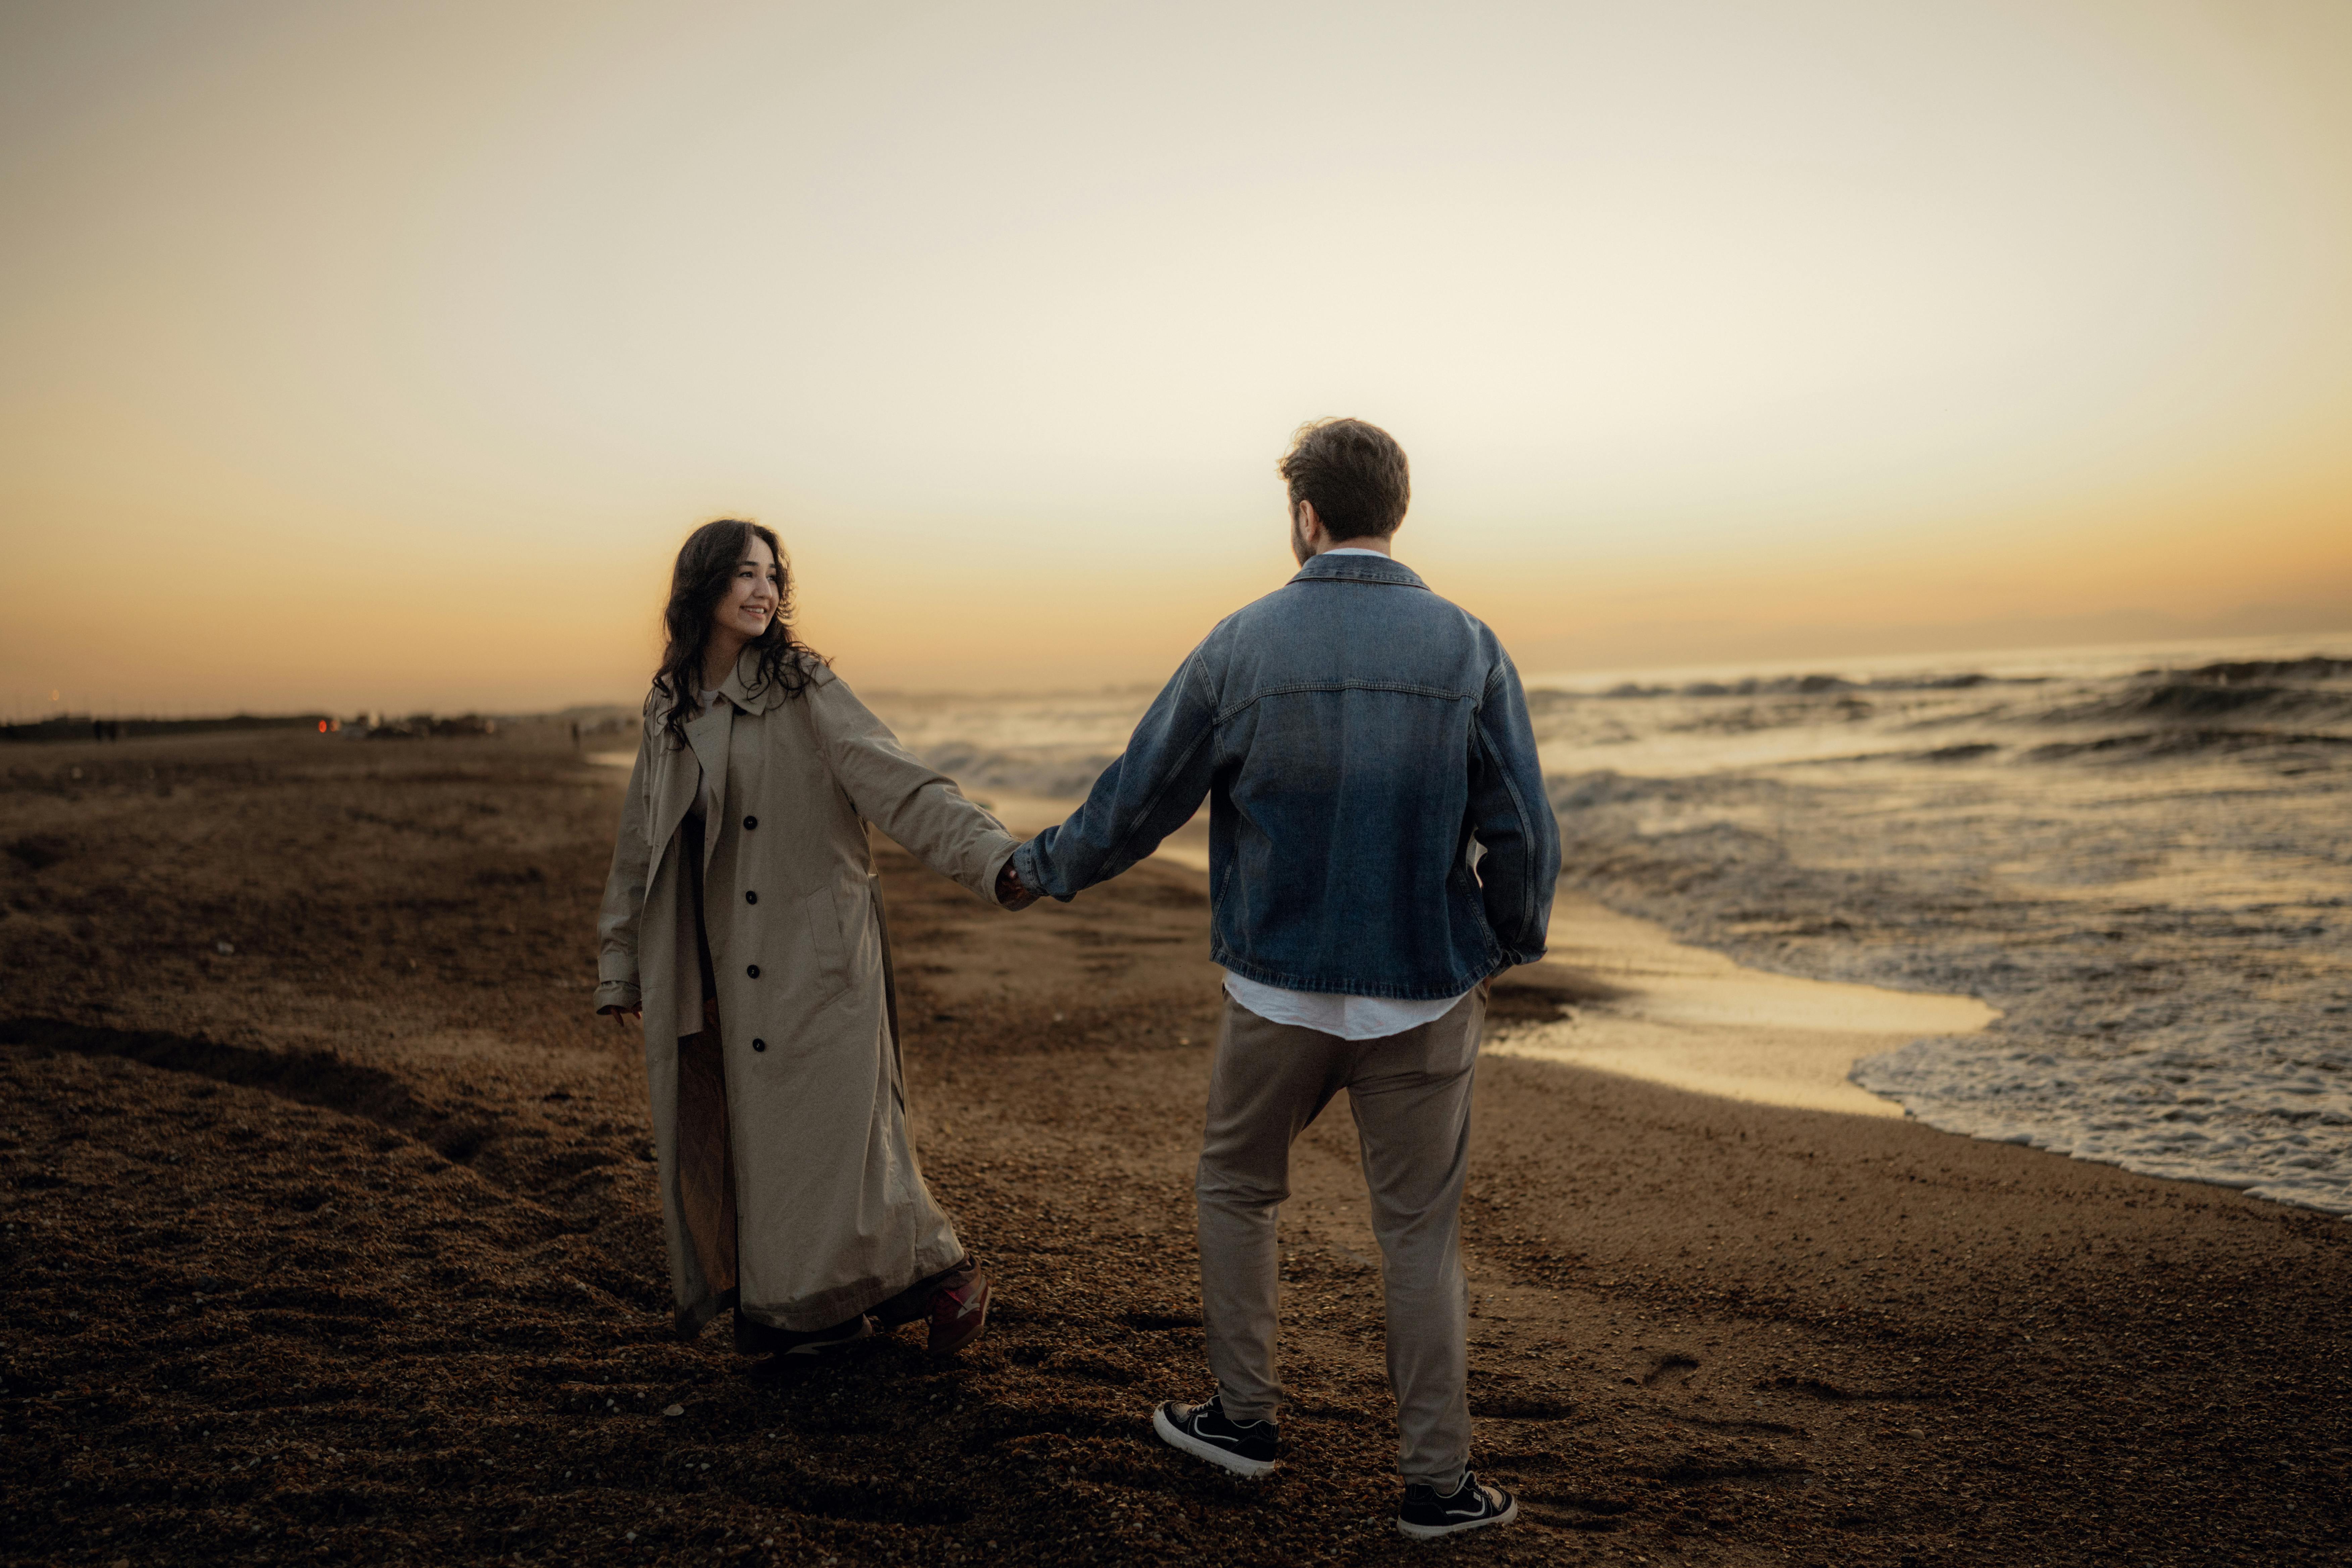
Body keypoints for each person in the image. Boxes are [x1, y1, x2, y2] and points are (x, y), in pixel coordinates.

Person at [997, 419, 1559, 1539]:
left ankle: (1243, 1423)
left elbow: (1136, 801)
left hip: (1276, 994)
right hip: (1423, 994)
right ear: (1393, 511)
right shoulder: (1465, 645)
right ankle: (1436, 1487)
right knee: (1415, 1236)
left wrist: (1036, 872)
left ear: (1304, 515)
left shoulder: (1238, 645)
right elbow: (1523, 832)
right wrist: (1505, 941)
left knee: (1236, 1190)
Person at [595, 519, 1022, 1360]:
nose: (763, 591)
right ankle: (798, 1304)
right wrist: (620, 962)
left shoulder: (803, 682)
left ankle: (943, 1276)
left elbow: (897, 783)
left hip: (818, 960)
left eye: (771, 576)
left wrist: (996, 859)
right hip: (720, 964)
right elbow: (639, 842)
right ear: (702, 588)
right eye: (744, 575)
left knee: (844, 1146)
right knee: (756, 1144)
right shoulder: (670, 704)